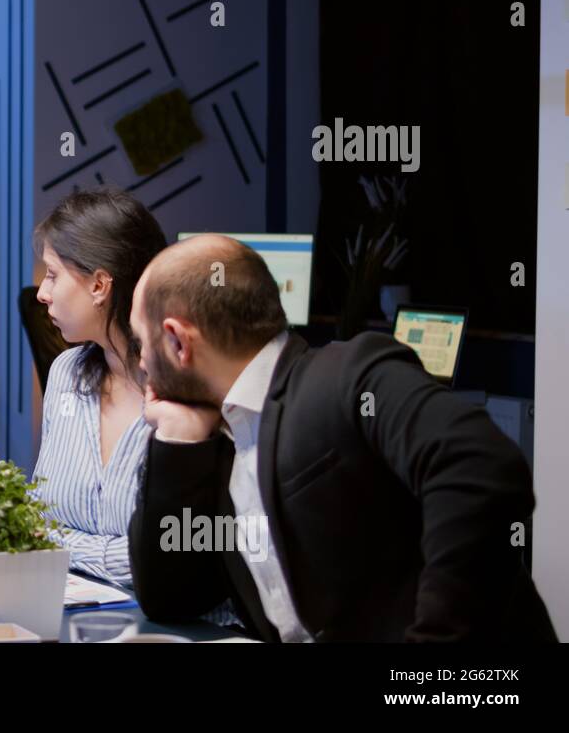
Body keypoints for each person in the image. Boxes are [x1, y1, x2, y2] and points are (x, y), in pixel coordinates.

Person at [126, 234, 557, 641]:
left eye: (140, 342)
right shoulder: (217, 437)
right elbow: (172, 601)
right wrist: (178, 443)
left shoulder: (349, 374)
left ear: (177, 341)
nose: (141, 361)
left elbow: (481, 469)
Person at [28, 190, 165, 586]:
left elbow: (165, 554)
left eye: (53, 274)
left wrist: (62, 547)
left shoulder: (183, 391)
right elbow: (36, 520)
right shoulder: (66, 374)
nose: (42, 292)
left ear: (100, 285)